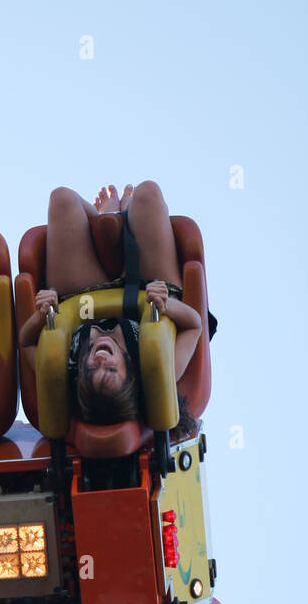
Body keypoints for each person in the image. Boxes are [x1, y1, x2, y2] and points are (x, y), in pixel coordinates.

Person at [17, 182, 203, 426]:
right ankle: (123, 213)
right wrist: (166, 304)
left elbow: (26, 342)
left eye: (92, 370)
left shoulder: (65, 370)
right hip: (147, 288)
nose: (100, 362)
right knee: (148, 194)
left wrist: (41, 316)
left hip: (81, 296)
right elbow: (195, 326)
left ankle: (105, 218)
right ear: (131, 377)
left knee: (62, 199)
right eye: (112, 370)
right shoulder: (159, 368)